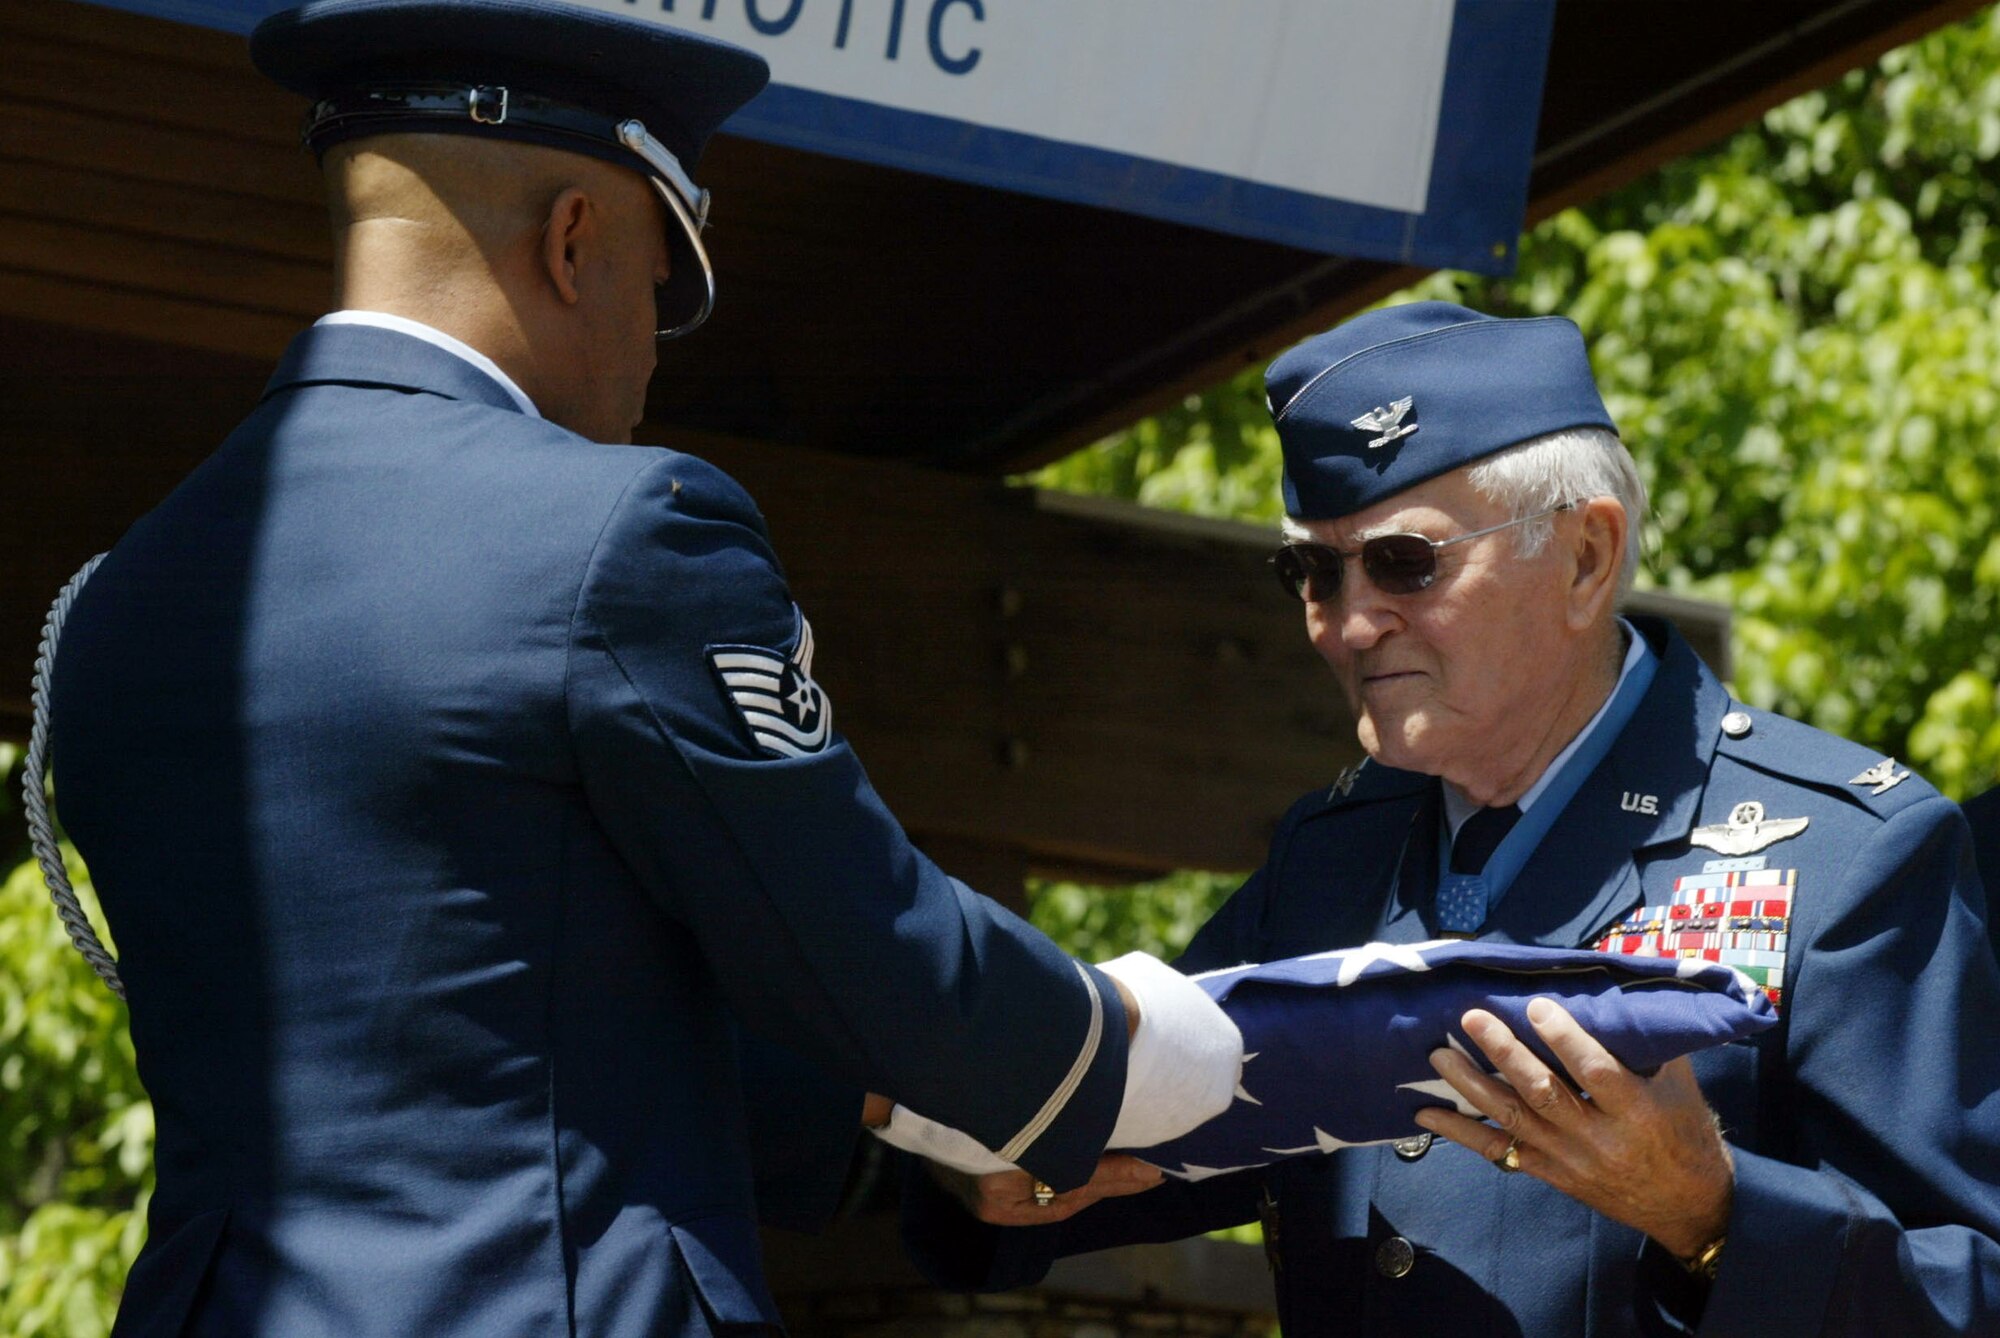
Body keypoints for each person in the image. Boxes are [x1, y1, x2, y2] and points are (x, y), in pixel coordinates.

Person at [43, 2, 1241, 1334]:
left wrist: (899, 1140)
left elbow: (482, 1019)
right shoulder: (620, 532)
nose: (649, 354)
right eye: (659, 284)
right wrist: (1113, 1043)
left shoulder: (116, 602)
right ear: (573, 240)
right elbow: (863, 942)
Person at [904, 302, 2000, 1336]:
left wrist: (1708, 1215)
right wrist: (991, 1153)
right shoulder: (1332, 859)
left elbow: (1974, 1294)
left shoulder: (1845, 858)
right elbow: (1121, 1152)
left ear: (1583, 556)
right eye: (1314, 572)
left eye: (1401, 563)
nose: (1345, 626)